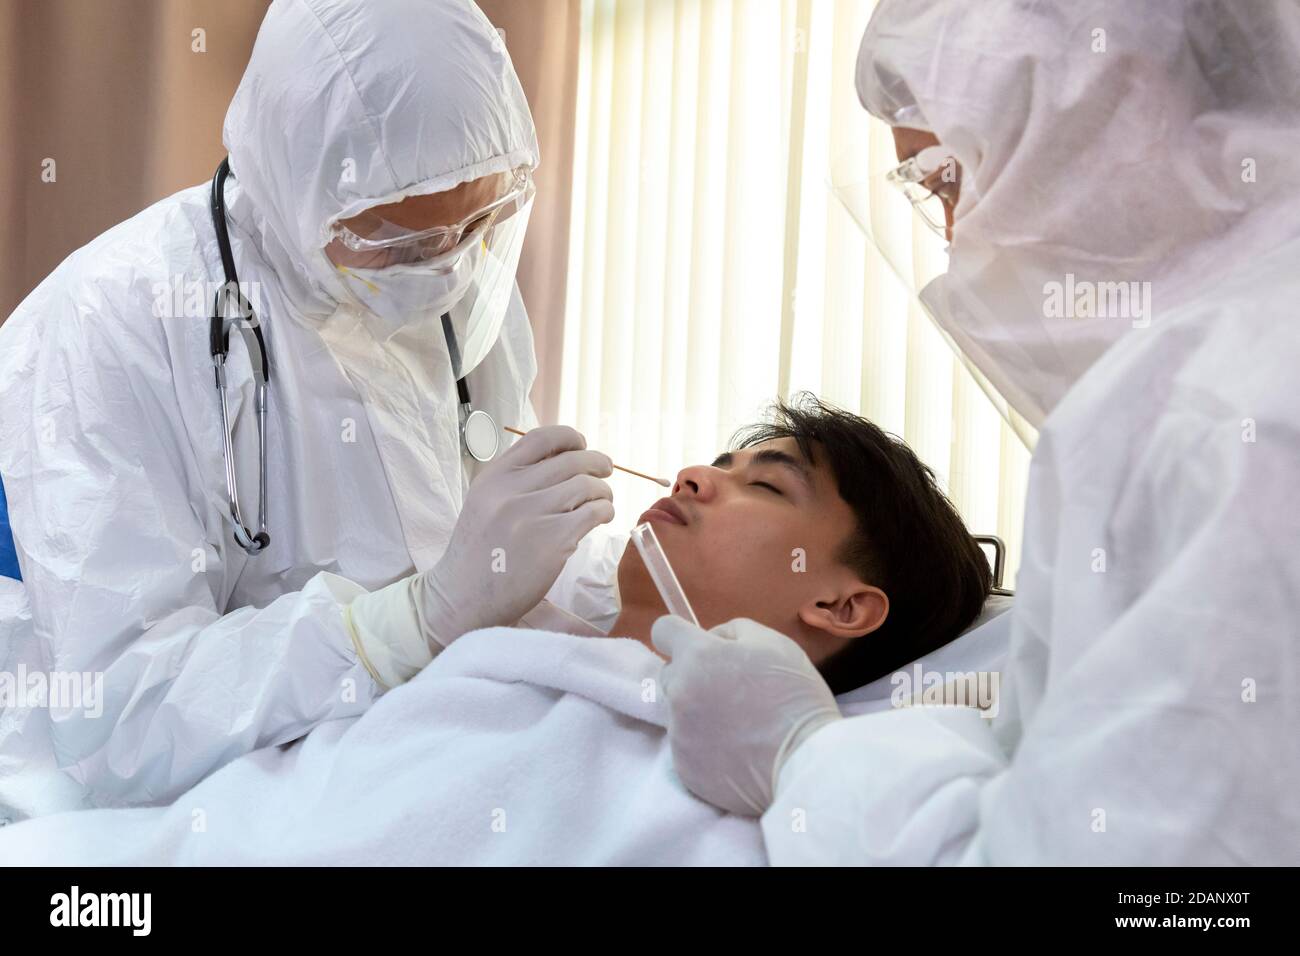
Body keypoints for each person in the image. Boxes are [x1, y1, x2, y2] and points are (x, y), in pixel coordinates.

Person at [652, 0, 1300, 864]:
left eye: (948, 178)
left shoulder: (1231, 419)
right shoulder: (1190, 382)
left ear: (1113, 98)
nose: (956, 239)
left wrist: (806, 756)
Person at [0, 0, 615, 808]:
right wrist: (404, 624)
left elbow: (482, 548)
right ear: (298, 183)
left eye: (477, 223)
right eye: (402, 242)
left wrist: (606, 582)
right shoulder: (111, 321)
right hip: (139, 801)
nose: (444, 271)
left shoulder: (455, 286)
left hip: (389, 751)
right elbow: (123, 719)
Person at [0, 397, 995, 864]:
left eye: (763, 482)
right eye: (719, 458)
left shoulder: (779, 777)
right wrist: (431, 610)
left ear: (840, 605)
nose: (698, 474)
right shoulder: (527, 630)